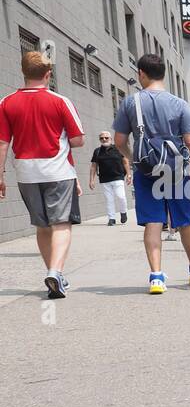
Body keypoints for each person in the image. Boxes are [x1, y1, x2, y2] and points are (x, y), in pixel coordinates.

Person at [112, 53, 190, 295]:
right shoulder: (179, 104)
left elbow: (119, 140)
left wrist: (133, 156)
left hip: (146, 170)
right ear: (163, 74)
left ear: (141, 74)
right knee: (184, 221)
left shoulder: (130, 103)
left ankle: (156, 277)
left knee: (153, 222)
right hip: (176, 170)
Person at [0, 50, 85, 298]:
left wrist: (1, 176)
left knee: (42, 225)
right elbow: (78, 140)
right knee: (61, 223)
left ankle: (54, 272)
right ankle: (55, 271)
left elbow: (3, 143)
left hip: (26, 173)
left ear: (24, 72)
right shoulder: (60, 101)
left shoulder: (6, 102)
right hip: (57, 170)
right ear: (48, 74)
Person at [89, 129, 129, 225]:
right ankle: (111, 219)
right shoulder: (97, 151)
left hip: (118, 177)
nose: (104, 139)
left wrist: (129, 174)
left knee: (121, 197)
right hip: (104, 179)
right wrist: (91, 180)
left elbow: (125, 162)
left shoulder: (118, 148)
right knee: (109, 200)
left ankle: (123, 212)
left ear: (110, 139)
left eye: (106, 138)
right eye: (101, 138)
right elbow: (94, 166)